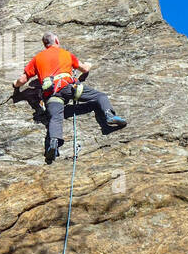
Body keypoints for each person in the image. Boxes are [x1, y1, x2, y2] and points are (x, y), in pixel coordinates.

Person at [13, 31, 127, 162]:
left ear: (45, 44)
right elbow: (84, 69)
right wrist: (88, 65)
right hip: (69, 88)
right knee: (100, 96)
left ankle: (54, 143)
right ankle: (109, 115)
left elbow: (22, 80)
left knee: (56, 118)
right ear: (56, 41)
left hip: (51, 93)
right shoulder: (66, 54)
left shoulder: (37, 59)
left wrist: (15, 86)